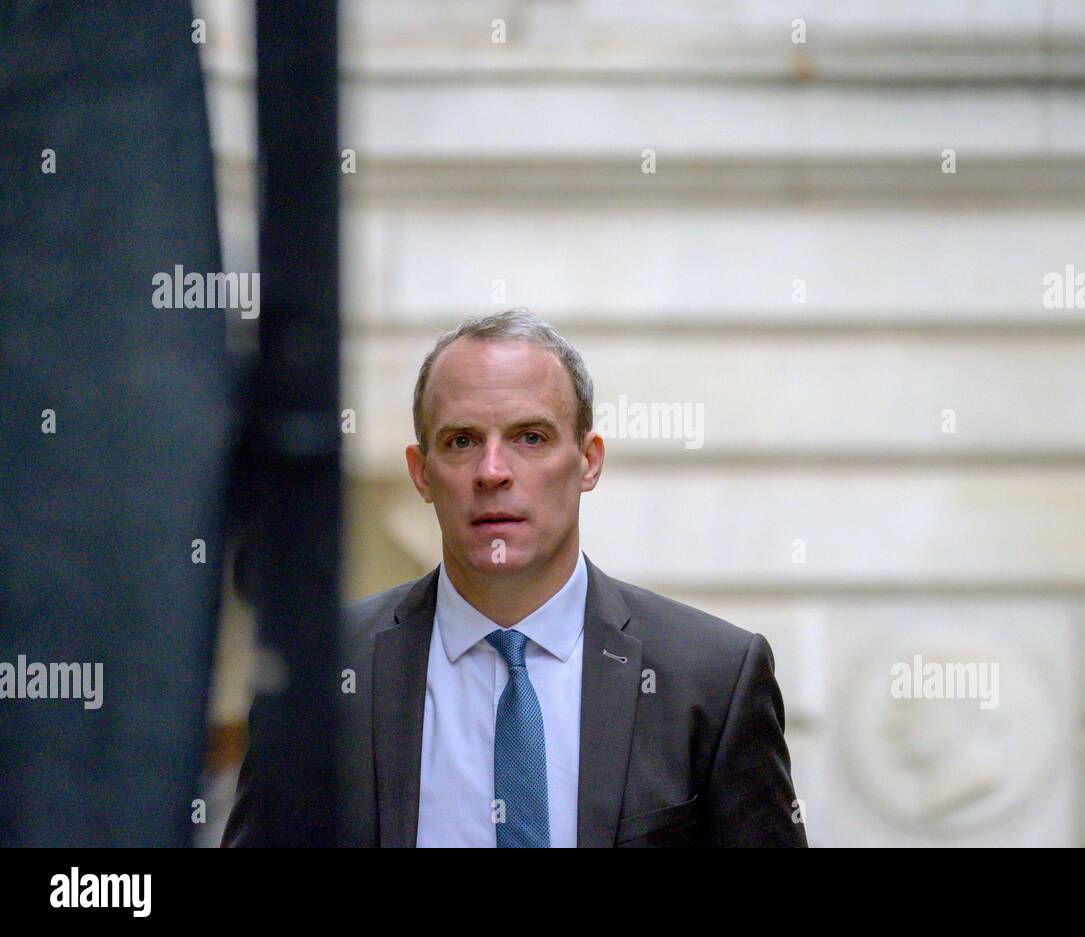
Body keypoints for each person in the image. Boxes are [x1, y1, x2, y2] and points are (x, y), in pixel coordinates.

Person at [224, 308, 806, 847]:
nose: (492, 471)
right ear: (421, 473)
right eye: (461, 441)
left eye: (531, 437)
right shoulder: (322, 671)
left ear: (589, 461)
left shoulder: (711, 678)